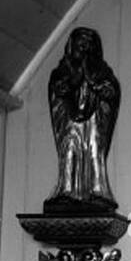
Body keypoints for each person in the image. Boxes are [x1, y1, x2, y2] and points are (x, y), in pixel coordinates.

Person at [46, 27, 120, 211]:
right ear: (73, 46)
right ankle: (67, 191)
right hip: (71, 119)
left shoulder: (101, 71)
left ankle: (97, 191)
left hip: (93, 119)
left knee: (95, 150)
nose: (84, 48)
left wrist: (95, 82)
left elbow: (110, 91)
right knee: (70, 149)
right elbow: (59, 88)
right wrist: (75, 78)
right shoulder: (63, 70)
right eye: (80, 43)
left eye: (88, 44)